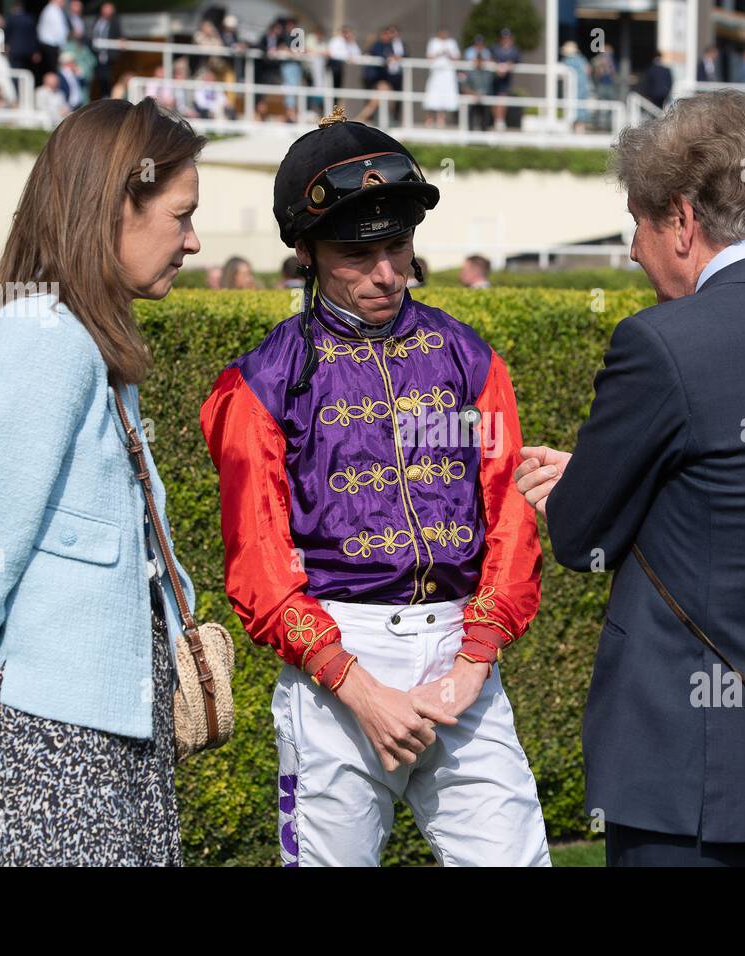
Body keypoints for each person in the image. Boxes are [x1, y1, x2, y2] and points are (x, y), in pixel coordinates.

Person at [513, 90, 745, 867]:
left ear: (682, 221)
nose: (630, 249)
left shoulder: (659, 342)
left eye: (638, 223)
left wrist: (583, 488)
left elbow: (584, 537)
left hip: (683, 763)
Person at [200, 107, 550, 867]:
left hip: (463, 656)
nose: (386, 273)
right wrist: (358, 690)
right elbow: (259, 567)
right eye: (357, 254)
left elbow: (512, 516)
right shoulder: (260, 384)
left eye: (396, 247)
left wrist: (472, 664)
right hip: (337, 672)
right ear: (307, 251)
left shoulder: (471, 359)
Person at [0, 97, 205, 866]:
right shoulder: (46, 341)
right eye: (179, 214)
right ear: (114, 204)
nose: (191, 240)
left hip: (87, 740)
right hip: (61, 753)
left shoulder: (69, 337)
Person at [424, 28, 461, 127]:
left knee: (445, 96)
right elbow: (429, 57)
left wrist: (448, 53)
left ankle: (441, 118)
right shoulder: (433, 42)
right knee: (432, 95)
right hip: (436, 73)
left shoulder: (451, 42)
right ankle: (429, 118)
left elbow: (457, 57)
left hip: (448, 74)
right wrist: (439, 53)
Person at [491, 27, 521, 130]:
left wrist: (507, 66)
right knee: (494, 100)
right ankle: (497, 120)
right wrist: (497, 68)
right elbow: (492, 60)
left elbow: (515, 61)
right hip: (495, 79)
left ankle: (500, 120)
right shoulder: (495, 48)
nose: (506, 39)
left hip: (505, 80)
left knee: (502, 98)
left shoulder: (514, 50)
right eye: (504, 37)